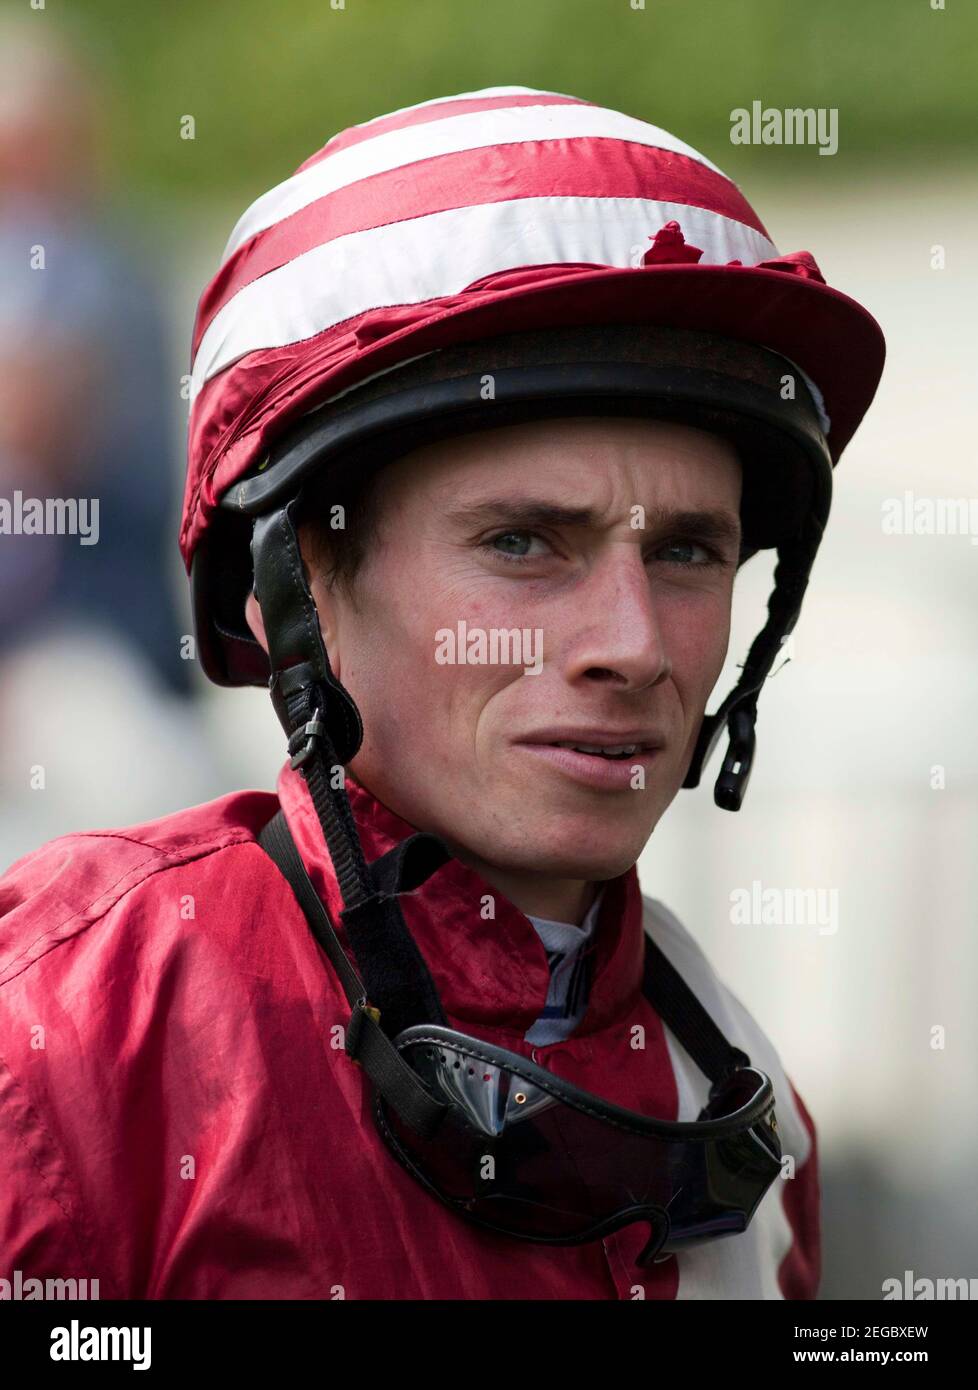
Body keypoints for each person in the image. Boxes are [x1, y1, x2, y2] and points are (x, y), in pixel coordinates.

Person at [0, 86, 885, 1300]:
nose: (632, 646)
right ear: (295, 591)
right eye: (524, 542)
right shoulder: (63, 1038)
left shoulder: (749, 1105)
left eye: (687, 550)